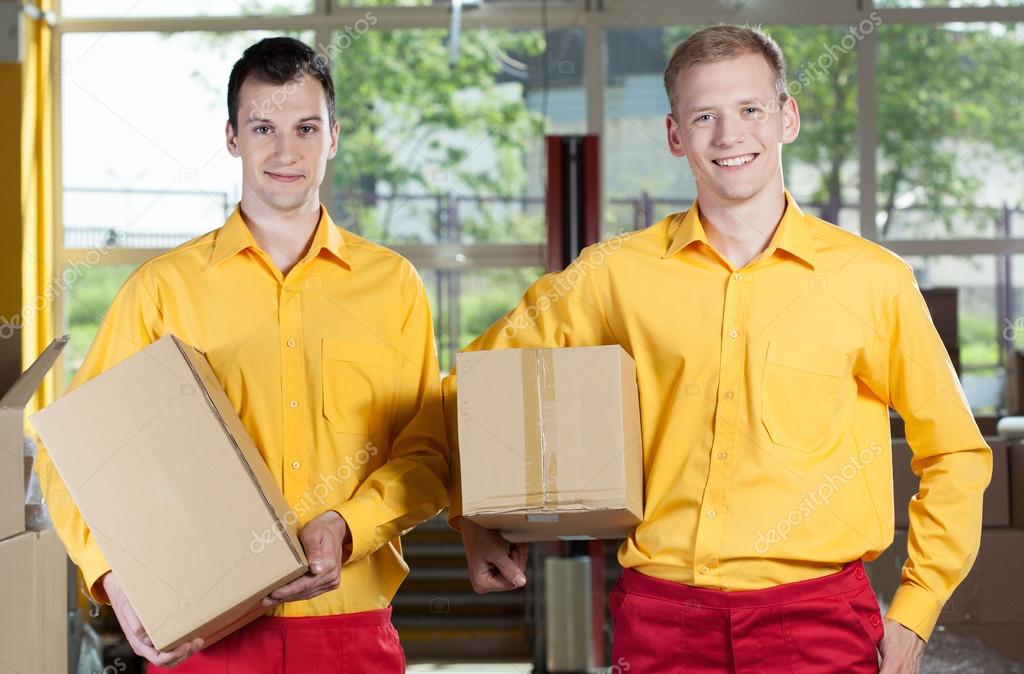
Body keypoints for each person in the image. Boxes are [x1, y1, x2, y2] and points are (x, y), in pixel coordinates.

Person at [444, 24, 991, 674]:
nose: (730, 136)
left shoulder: (870, 281)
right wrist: (472, 516)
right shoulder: (614, 275)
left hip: (818, 621)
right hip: (662, 618)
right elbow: (470, 385)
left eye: (750, 110)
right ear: (676, 134)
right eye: (705, 116)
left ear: (787, 117)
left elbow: (954, 452)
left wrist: (916, 610)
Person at [35, 37, 450, 672]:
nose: (286, 151)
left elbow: (427, 454)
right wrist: (112, 578)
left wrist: (348, 523)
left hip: (350, 635)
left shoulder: (393, 286)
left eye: (306, 128)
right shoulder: (163, 290)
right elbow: (77, 455)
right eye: (264, 127)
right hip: (206, 639)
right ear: (232, 137)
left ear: (333, 137)